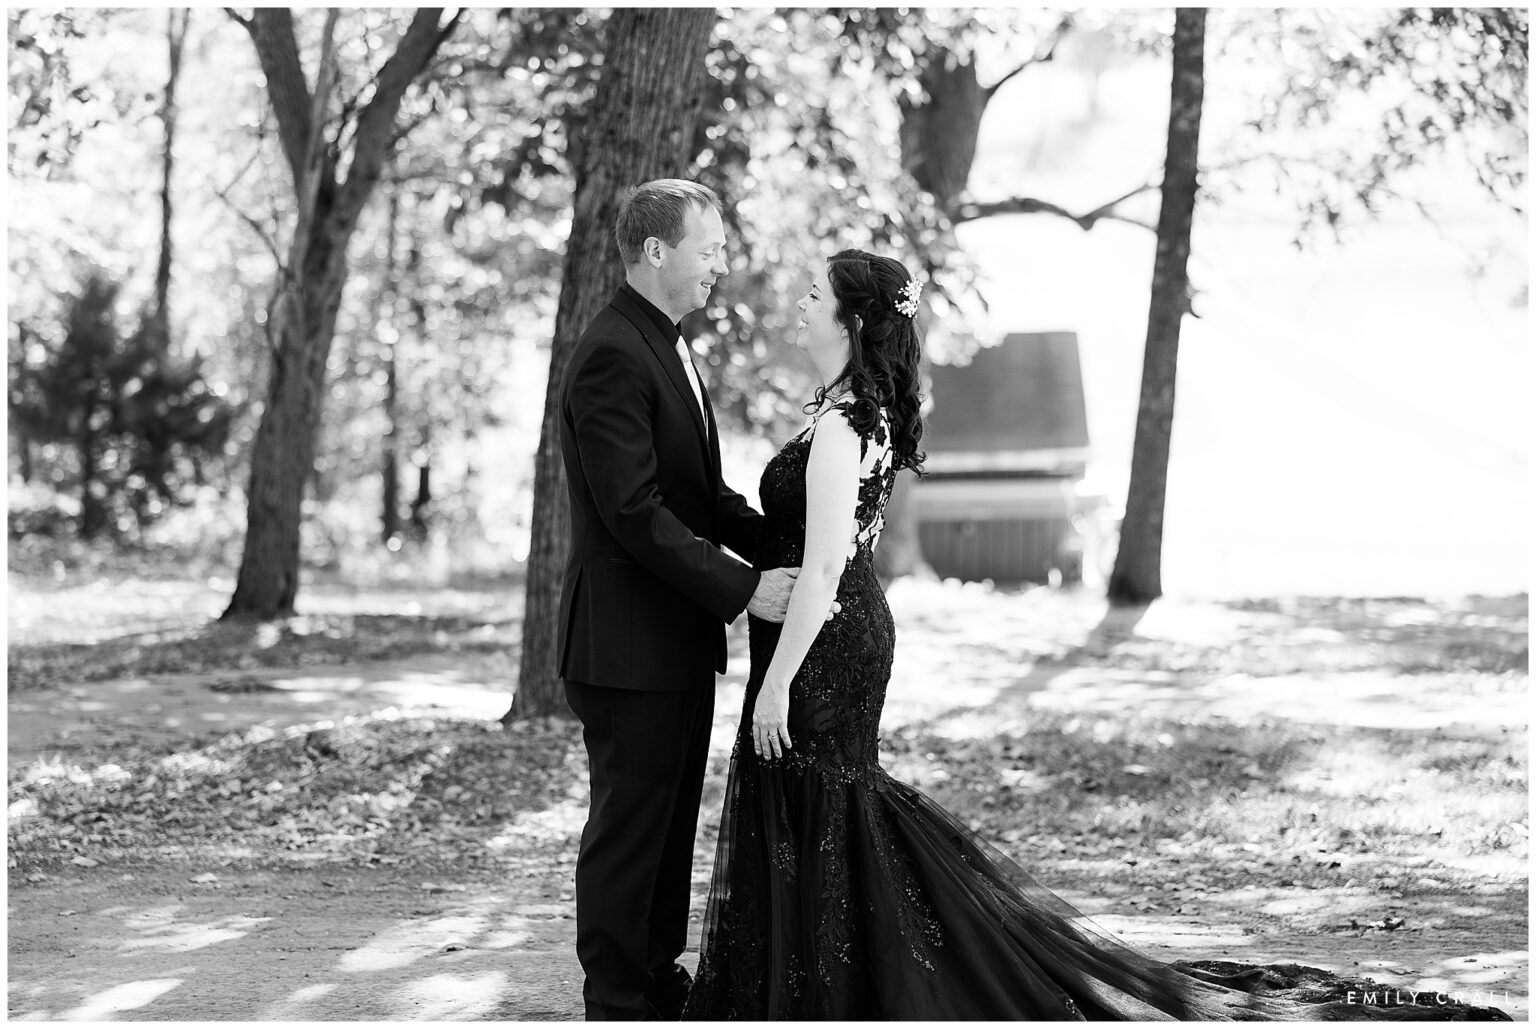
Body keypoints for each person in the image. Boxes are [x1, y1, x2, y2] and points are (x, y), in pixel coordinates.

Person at [681, 250, 1470, 1020]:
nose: (802, 303)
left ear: (853, 321)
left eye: (816, 295)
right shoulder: (849, 410)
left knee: (819, 796)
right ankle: (825, 984)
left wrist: (778, 679)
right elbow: (803, 543)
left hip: (824, 641)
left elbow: (820, 569)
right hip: (840, 630)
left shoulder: (843, 425)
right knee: (824, 801)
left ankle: (851, 985)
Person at [557, 179, 804, 1020]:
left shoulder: (669, 346)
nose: (720, 264)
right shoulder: (611, 354)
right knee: (631, 834)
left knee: (664, 835)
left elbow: (697, 496)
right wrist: (745, 589)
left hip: (671, 641)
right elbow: (634, 512)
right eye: (710, 249)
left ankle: (657, 983)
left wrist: (790, 540)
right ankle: (620, 1002)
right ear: (657, 252)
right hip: (626, 647)